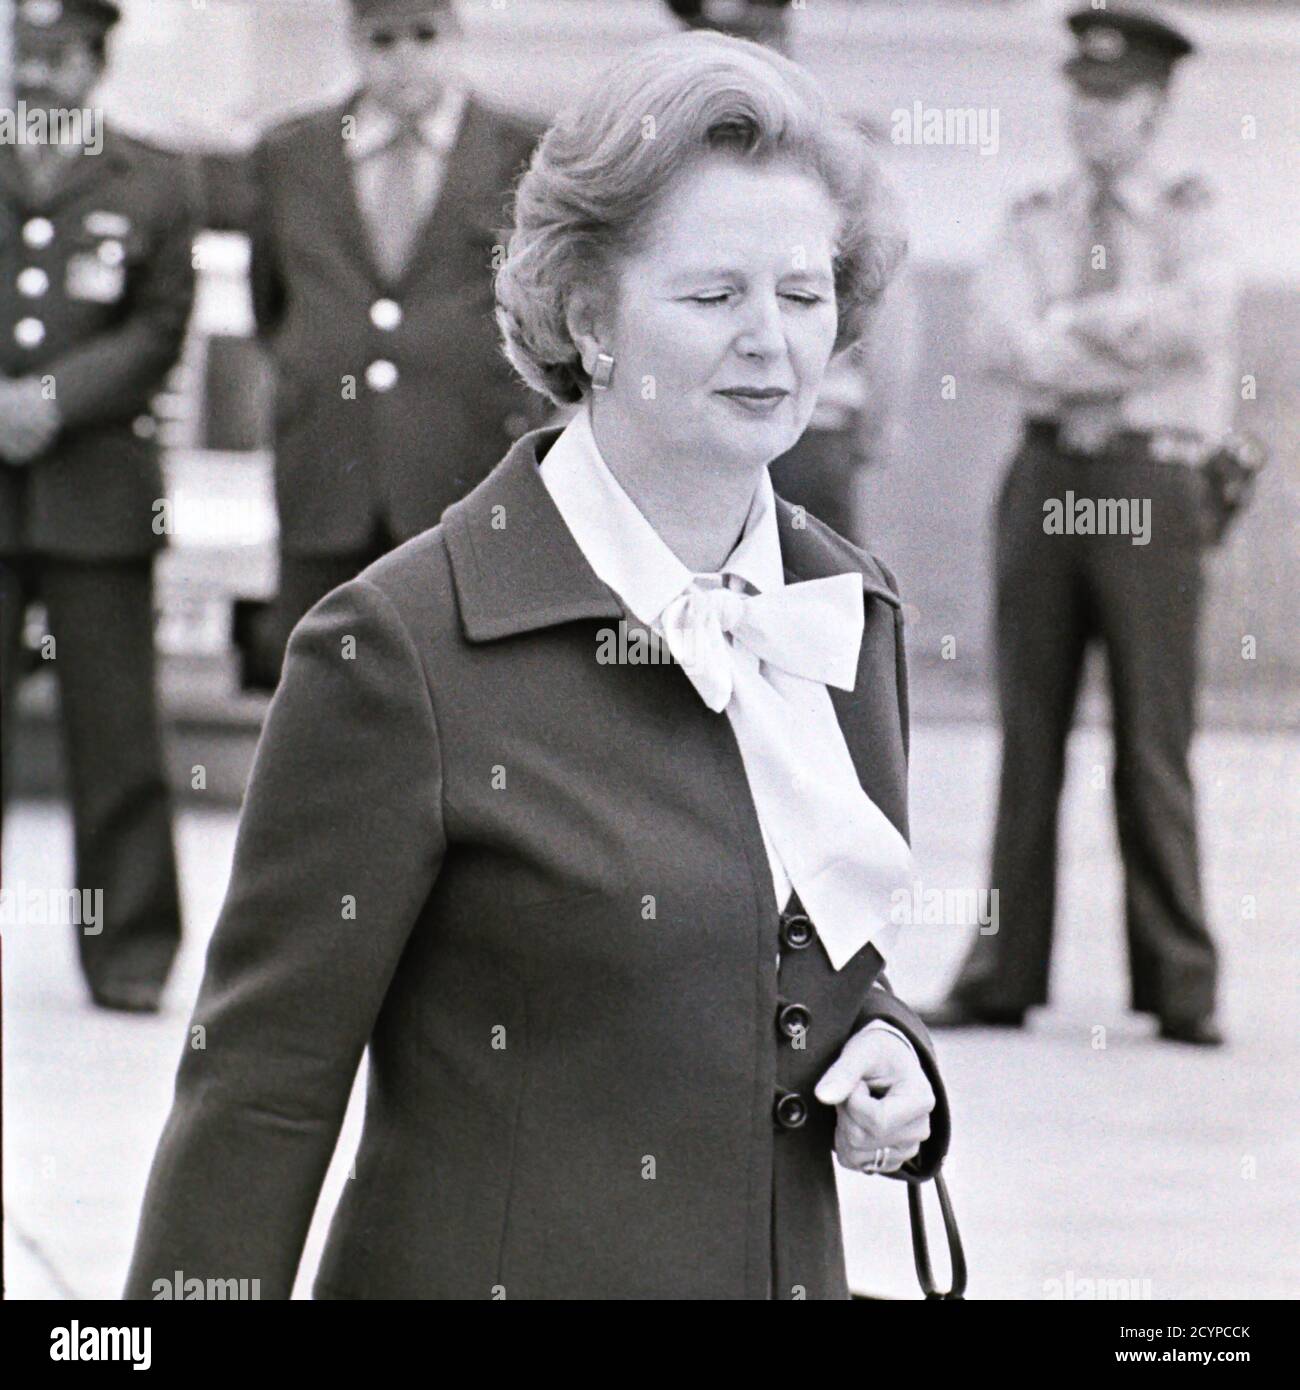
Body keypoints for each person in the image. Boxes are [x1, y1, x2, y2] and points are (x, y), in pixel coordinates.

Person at [124, 32, 949, 1300]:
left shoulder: (845, 610)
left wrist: (885, 1043)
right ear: (587, 319)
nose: (772, 344)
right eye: (711, 294)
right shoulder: (397, 649)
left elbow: (795, 935)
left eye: (801, 292)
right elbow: (260, 1096)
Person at [923, 4, 1236, 1046]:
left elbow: (1195, 319)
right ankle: (1001, 970)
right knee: (1028, 736)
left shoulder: (1192, 212)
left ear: (1153, 108)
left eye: (1112, 98)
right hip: (1047, 475)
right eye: (1080, 93)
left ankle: (1179, 982)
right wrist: (1107, 343)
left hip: (1149, 483)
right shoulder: (1031, 212)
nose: (1088, 114)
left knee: (1154, 738)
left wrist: (1070, 331)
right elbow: (996, 338)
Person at [239, 0, 543, 690]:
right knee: (321, 688)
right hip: (327, 464)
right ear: (353, 41)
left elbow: (543, 305)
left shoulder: (521, 152)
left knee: (463, 684)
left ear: (456, 36)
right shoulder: (291, 153)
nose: (404, 57)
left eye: (424, 36)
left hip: (464, 464)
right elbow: (273, 301)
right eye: (382, 39)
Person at [0, 0, 195, 1012]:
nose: (40, 78)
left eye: (62, 57)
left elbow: (160, 328)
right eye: (26, 56)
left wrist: (50, 400)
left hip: (98, 501)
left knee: (115, 737)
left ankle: (128, 953)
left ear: (97, 60)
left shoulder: (158, 180)